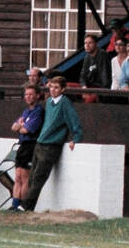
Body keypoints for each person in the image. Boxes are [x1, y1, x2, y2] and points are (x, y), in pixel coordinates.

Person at [22, 75, 84, 212]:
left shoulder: (65, 103)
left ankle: (26, 206)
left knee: (39, 177)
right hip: (40, 143)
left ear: (63, 89)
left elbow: (74, 122)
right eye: (51, 87)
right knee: (32, 177)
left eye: (57, 87)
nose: (53, 90)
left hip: (51, 145)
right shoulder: (49, 102)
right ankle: (26, 206)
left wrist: (76, 139)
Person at [9, 84, 44, 211]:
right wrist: (20, 126)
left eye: (31, 94)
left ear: (37, 96)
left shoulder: (38, 111)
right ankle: (14, 204)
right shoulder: (26, 111)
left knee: (25, 177)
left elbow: (26, 130)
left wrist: (21, 126)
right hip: (22, 146)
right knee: (17, 176)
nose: (28, 97)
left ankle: (22, 206)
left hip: (30, 146)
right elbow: (14, 127)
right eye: (26, 94)